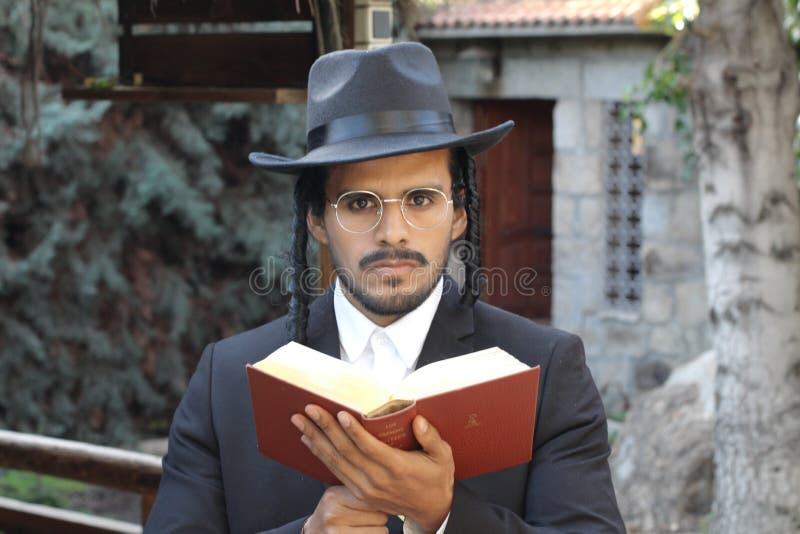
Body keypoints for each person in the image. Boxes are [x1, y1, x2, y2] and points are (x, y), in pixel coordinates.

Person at [145, 42, 624, 533]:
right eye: (358, 203)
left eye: (420, 199)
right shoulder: (227, 380)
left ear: (458, 213)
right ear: (316, 219)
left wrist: (445, 515)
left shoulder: (544, 369)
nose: (392, 230)